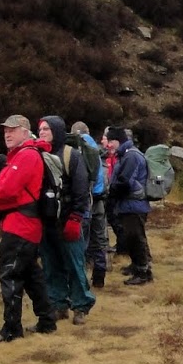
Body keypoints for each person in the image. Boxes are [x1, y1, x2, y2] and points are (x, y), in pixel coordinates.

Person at [0, 115, 57, 342]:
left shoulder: (26, 156)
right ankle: (47, 320)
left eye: (13, 130)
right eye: (5, 131)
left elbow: (3, 190)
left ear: (25, 132)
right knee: (30, 273)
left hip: (20, 224)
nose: (7, 134)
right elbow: (4, 188)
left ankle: (11, 329)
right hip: (25, 223)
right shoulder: (24, 155)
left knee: (10, 274)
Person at [36, 116, 96, 323]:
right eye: (40, 129)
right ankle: (58, 304)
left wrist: (76, 217)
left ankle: (81, 306)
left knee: (74, 264)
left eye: (46, 129)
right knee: (51, 265)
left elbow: (81, 189)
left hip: (68, 219)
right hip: (46, 220)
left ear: (57, 131)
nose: (42, 132)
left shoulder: (72, 155)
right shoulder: (38, 154)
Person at [104, 126, 152, 284]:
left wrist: (111, 192)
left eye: (111, 141)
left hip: (134, 205)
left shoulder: (130, 156)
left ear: (118, 141)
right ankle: (137, 266)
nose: (108, 145)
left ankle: (143, 273)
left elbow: (125, 181)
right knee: (131, 237)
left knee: (136, 237)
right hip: (128, 204)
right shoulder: (125, 154)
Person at [71, 121, 109, 289]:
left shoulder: (77, 149)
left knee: (83, 242)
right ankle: (100, 276)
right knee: (99, 239)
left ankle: (82, 281)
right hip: (99, 199)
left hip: (85, 200)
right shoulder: (97, 149)